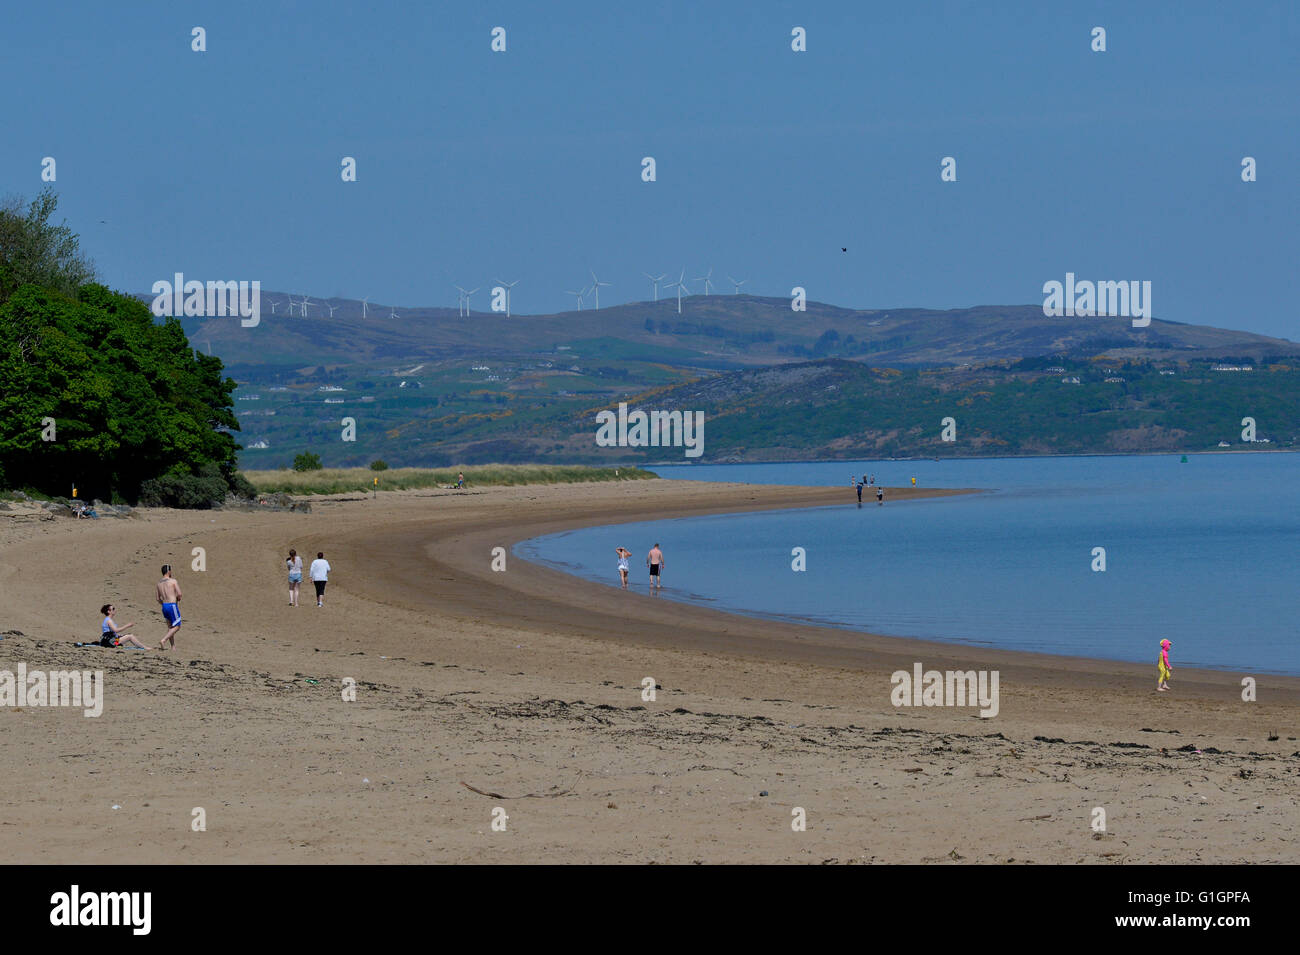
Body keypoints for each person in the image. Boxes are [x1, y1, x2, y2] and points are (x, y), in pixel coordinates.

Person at [156, 565, 183, 650]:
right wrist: (178, 599)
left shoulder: (159, 583)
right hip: (172, 605)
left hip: (164, 606)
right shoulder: (173, 581)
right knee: (177, 626)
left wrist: (164, 604)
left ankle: (173, 647)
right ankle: (164, 640)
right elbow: (179, 594)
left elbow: (157, 598)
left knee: (170, 627)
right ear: (169, 571)